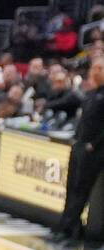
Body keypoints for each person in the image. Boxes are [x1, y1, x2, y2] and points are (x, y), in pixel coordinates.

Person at [52, 57, 104, 240]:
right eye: (94, 67)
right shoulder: (91, 93)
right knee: (70, 186)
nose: (95, 71)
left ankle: (68, 229)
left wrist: (94, 144)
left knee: (81, 190)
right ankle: (67, 225)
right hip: (79, 144)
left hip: (94, 151)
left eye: (100, 68)